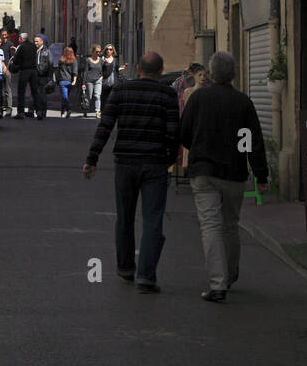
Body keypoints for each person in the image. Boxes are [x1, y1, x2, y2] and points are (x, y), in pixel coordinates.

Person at [83, 51, 180, 294]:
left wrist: (92, 158)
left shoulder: (121, 91)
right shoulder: (167, 94)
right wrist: (168, 160)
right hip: (155, 163)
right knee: (152, 220)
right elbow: (173, 133)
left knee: (124, 217)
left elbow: (105, 126)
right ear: (160, 71)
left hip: (125, 162)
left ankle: (126, 268)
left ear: (138, 69)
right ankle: (146, 276)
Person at [179, 50, 269, 303]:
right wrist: (261, 176)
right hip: (233, 172)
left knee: (210, 226)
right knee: (230, 225)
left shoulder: (198, 99)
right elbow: (253, 142)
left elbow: (184, 132)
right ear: (233, 74)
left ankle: (218, 284)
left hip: (204, 171)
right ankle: (229, 275)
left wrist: (197, 147)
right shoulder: (243, 103)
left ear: (211, 74)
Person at [10, 31, 39, 118]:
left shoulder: (22, 47)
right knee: (35, 92)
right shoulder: (34, 46)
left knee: (21, 91)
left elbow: (16, 60)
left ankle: (21, 112)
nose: (18, 40)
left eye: (19, 38)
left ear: (22, 39)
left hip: (25, 70)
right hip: (33, 71)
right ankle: (39, 111)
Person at [100, 44, 125, 115]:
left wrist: (122, 68)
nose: (108, 50)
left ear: (113, 51)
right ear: (105, 50)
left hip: (113, 81)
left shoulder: (115, 60)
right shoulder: (102, 59)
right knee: (104, 97)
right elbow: (99, 70)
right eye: (107, 49)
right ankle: (103, 111)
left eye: (110, 49)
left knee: (112, 97)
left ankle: (111, 111)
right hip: (104, 81)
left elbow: (116, 69)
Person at [33, 34, 53, 119]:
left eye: (37, 41)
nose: (35, 43)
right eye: (34, 41)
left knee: (42, 95)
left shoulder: (47, 51)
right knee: (35, 94)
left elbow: (51, 64)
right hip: (34, 75)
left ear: (42, 42)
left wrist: (50, 76)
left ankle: (43, 111)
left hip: (43, 76)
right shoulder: (33, 50)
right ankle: (38, 111)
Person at [81, 45, 104, 118]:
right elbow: (85, 72)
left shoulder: (101, 60)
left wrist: (102, 77)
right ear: (93, 52)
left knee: (97, 96)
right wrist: (83, 83)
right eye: (97, 52)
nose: (98, 53)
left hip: (98, 80)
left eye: (99, 52)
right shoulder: (88, 60)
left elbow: (103, 70)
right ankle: (86, 109)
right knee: (89, 97)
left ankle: (97, 112)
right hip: (89, 81)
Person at [57, 46, 78, 118]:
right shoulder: (74, 60)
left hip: (62, 81)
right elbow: (75, 72)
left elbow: (58, 71)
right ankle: (63, 113)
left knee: (64, 97)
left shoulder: (61, 60)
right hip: (70, 81)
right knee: (65, 97)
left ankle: (67, 108)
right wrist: (74, 81)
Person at [0, 29, 16, 115]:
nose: (4, 36)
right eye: (3, 35)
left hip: (7, 70)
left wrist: (8, 69)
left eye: (5, 35)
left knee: (7, 90)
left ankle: (9, 108)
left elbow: (12, 59)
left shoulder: (10, 45)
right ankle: (0, 107)